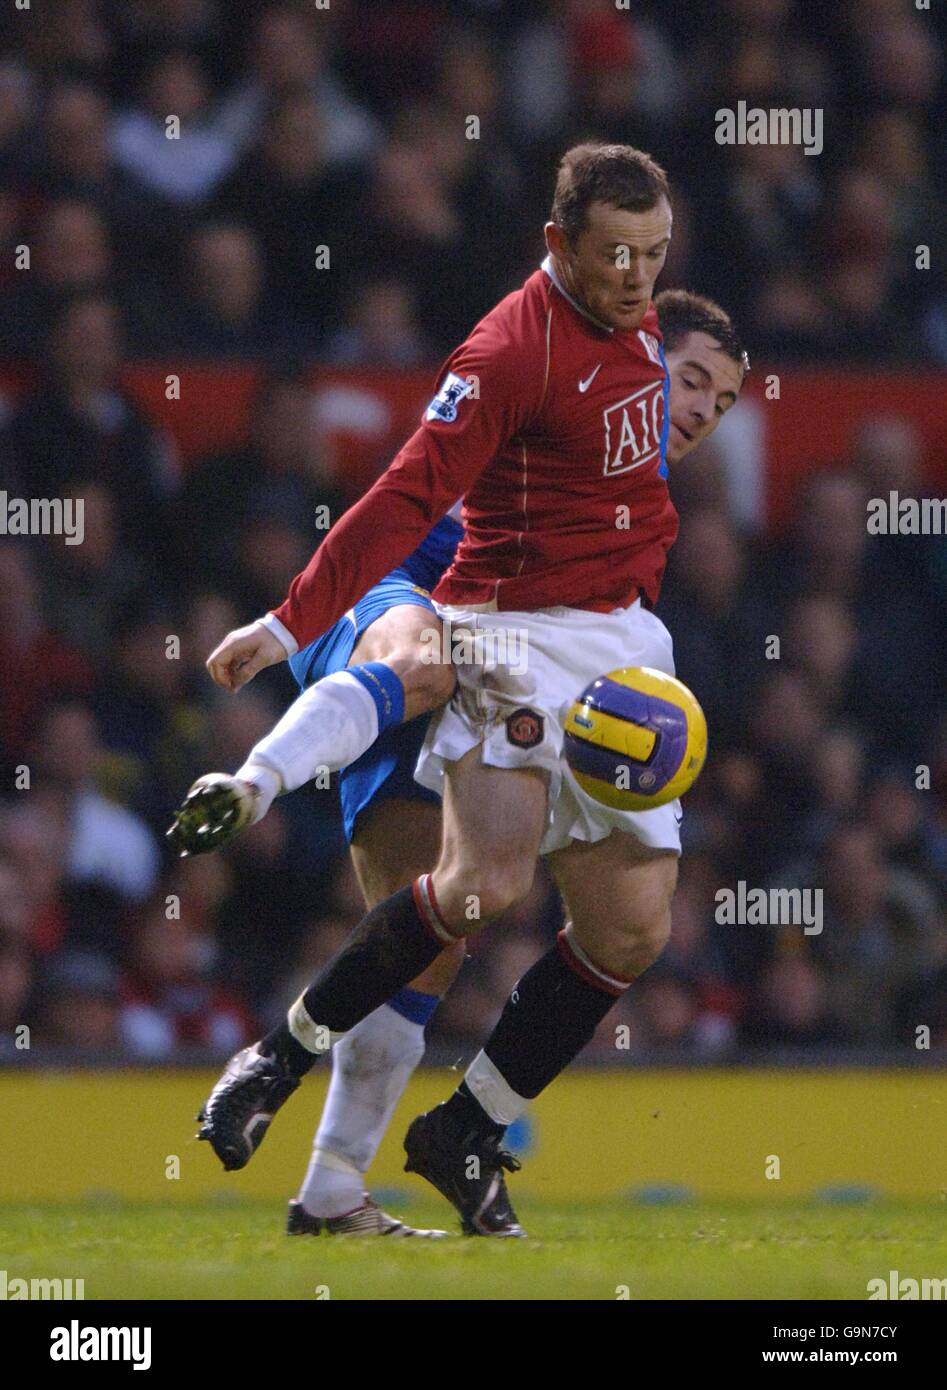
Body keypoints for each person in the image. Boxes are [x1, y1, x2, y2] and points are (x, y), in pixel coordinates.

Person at [185, 144, 747, 1236]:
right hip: (493, 622)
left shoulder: (640, 333)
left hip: (617, 640)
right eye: (615, 256)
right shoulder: (506, 353)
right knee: (472, 888)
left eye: (652, 254)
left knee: (632, 928)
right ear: (557, 248)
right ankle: (276, 1050)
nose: (635, 275)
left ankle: (461, 1131)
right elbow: (405, 496)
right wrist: (291, 618)